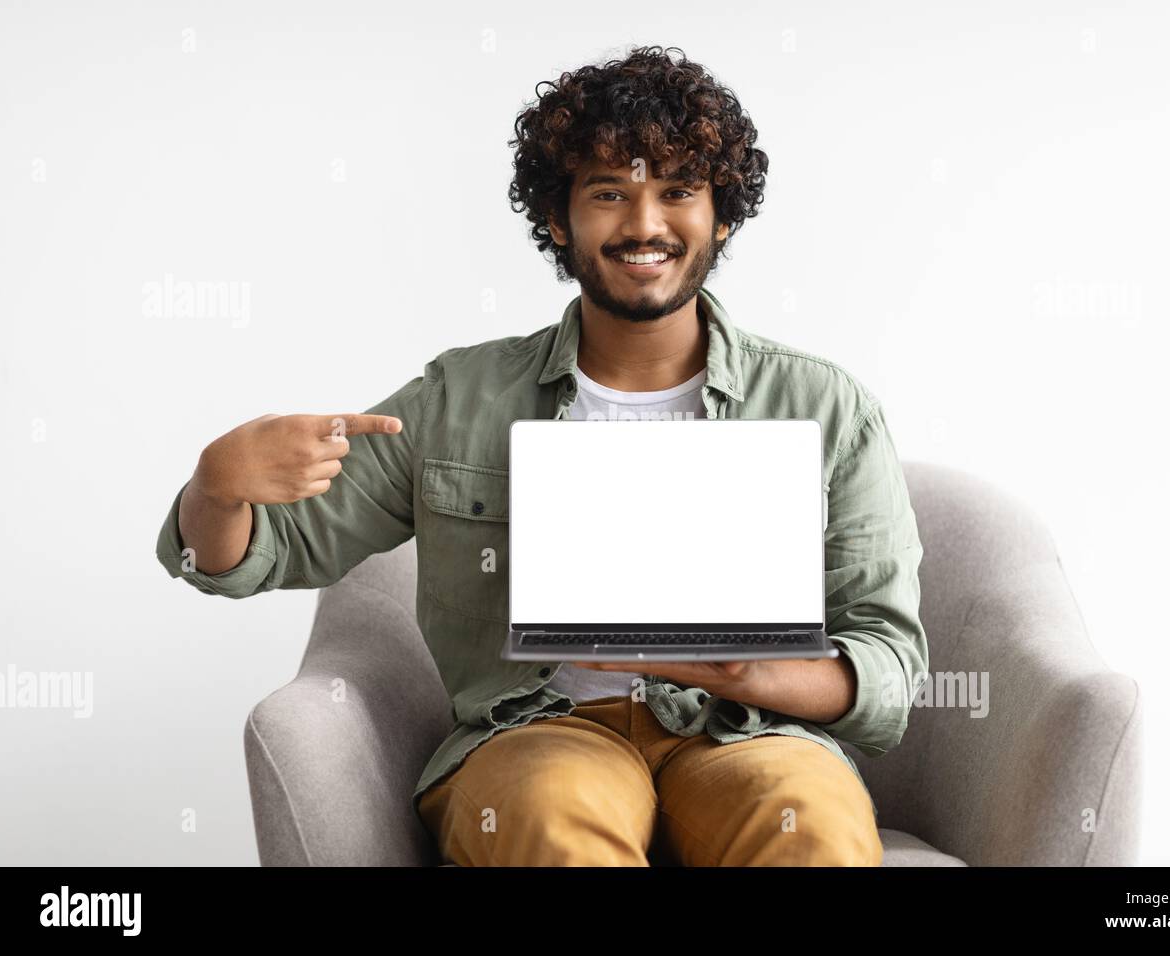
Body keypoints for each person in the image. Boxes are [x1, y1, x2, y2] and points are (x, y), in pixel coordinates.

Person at [156, 44, 927, 866]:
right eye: (609, 194)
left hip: (750, 733)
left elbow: (887, 661)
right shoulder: (459, 398)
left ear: (721, 215)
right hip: (541, 731)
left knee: (808, 826)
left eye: (679, 192)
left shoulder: (828, 407)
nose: (644, 225)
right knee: (554, 820)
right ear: (559, 219)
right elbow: (263, 554)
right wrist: (217, 487)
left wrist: (749, 674)